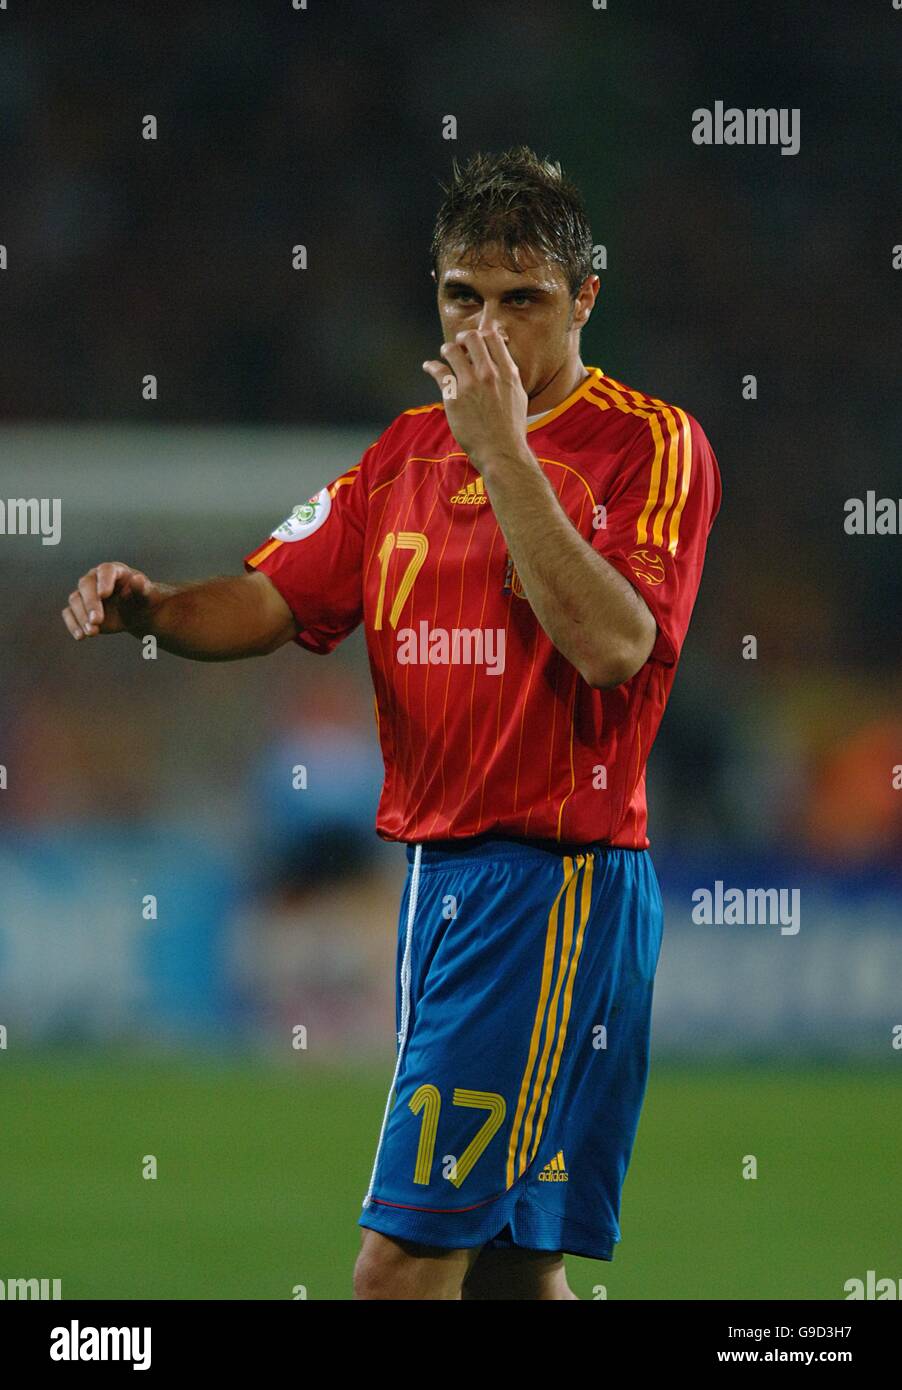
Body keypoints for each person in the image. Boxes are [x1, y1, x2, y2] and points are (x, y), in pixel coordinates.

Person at [61, 146, 722, 1300]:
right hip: (441, 881)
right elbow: (270, 601)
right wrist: (158, 611)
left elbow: (614, 645)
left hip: (552, 884)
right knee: (512, 1277)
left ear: (584, 300)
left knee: (400, 1272)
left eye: (521, 299)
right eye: (463, 296)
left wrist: (504, 454)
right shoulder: (401, 455)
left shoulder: (645, 444)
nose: (487, 326)